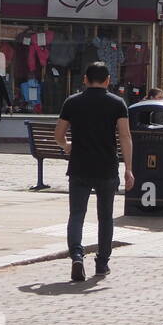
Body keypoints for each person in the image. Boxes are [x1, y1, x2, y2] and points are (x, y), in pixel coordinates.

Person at [55, 62, 134, 283]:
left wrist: (67, 145)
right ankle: (102, 263)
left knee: (77, 214)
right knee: (105, 217)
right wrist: (129, 168)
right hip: (106, 167)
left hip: (79, 166)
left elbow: (59, 134)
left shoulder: (72, 102)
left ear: (85, 80)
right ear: (108, 80)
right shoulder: (117, 103)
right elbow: (125, 137)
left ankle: (77, 256)